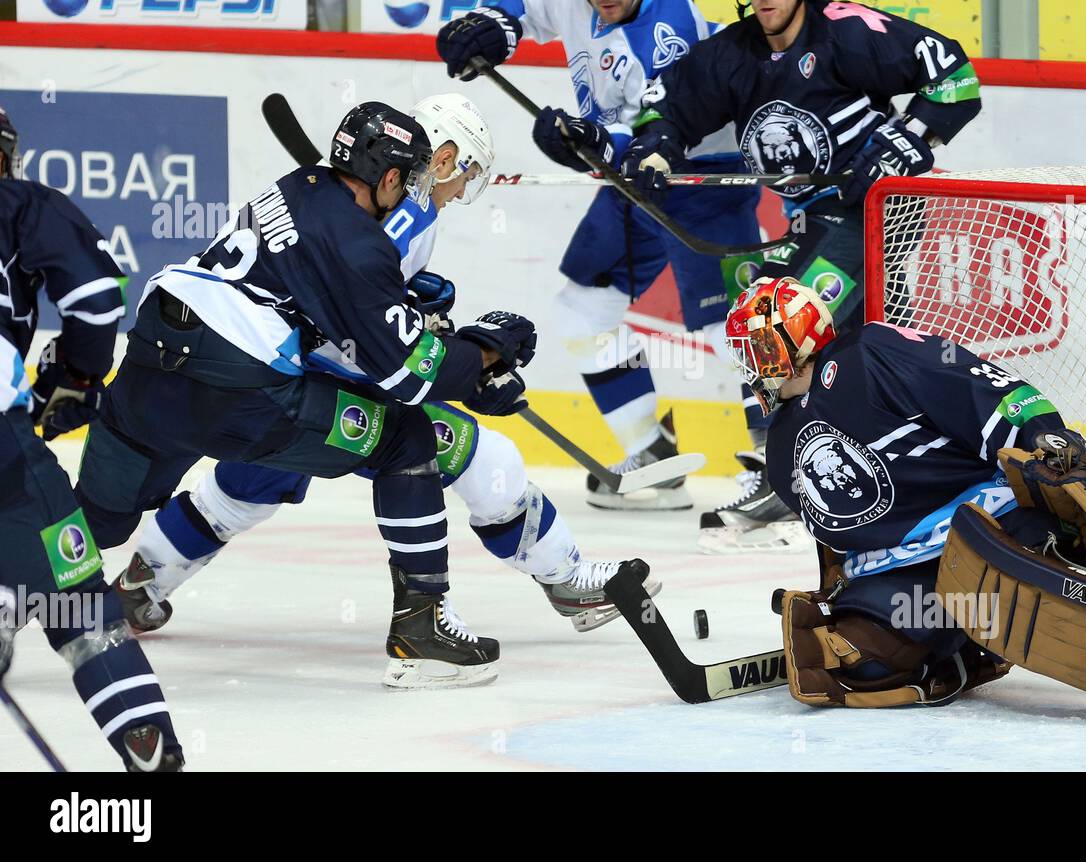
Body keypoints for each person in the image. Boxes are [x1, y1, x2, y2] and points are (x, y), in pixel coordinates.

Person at [110, 95, 661, 667]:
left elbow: (360, 307)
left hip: (259, 373)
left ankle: (139, 584)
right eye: (463, 174)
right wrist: (470, 366)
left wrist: (421, 315)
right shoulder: (410, 213)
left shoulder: (353, 194)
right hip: (306, 378)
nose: (457, 191)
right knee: (476, 456)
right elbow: (374, 351)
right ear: (443, 159)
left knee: (251, 482)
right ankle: (563, 581)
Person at [726, 276, 1086, 726]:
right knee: (863, 661)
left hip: (986, 527)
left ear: (789, 338)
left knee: (1011, 588)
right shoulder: (779, 445)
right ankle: (967, 654)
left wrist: (1054, 450)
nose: (751, 363)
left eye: (756, 346)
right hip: (905, 571)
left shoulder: (871, 352)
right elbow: (838, 531)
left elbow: (980, 387)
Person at [620, 0, 982, 552]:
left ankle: (785, 481)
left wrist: (906, 141)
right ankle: (863, 476)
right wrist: (654, 146)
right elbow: (667, 105)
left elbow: (954, 76)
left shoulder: (845, 31)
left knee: (776, 323)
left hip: (875, 213)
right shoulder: (735, 53)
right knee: (844, 351)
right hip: (815, 219)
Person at [436, 0, 762, 511]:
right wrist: (485, 29)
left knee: (736, 325)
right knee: (585, 308)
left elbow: (665, 131)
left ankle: (780, 468)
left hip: (700, 173)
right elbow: (521, 9)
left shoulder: (671, 26)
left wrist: (586, 142)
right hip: (628, 179)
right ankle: (653, 460)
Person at [0, 105, 184, 770]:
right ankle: (151, 762)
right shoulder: (20, 204)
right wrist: (77, 373)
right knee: (77, 596)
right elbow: (99, 298)